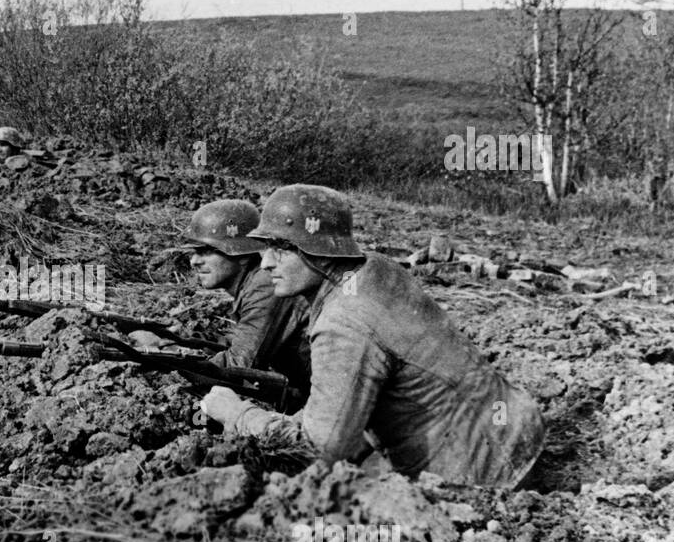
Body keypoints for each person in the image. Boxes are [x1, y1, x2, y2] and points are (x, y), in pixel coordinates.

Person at [199, 184, 545, 489]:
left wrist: (237, 413)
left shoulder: (343, 323)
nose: (266, 264)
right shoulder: (372, 269)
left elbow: (318, 450)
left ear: (317, 249)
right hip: (513, 428)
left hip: (483, 473)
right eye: (265, 248)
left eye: (282, 248)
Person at [161, 198, 311, 396]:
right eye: (194, 252)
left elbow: (238, 366)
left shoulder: (267, 285)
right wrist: (180, 341)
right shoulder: (254, 283)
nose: (194, 261)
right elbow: (241, 339)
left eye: (206, 251)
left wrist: (167, 366)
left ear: (242, 255)